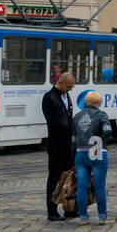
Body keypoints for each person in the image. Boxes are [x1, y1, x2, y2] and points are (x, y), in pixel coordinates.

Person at [72, 91, 113, 225]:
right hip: (97, 151)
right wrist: (101, 143)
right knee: (99, 187)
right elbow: (107, 130)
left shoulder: (77, 116)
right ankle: (102, 217)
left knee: (82, 187)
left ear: (86, 102)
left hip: (80, 154)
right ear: (99, 103)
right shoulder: (102, 115)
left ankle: (83, 217)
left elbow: (73, 138)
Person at [42, 72, 76, 221]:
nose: (70, 89)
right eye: (69, 86)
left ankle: (69, 209)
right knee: (55, 178)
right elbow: (54, 121)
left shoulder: (65, 95)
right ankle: (52, 211)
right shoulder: (49, 97)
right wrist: (72, 127)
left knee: (69, 177)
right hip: (56, 143)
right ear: (60, 82)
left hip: (68, 143)